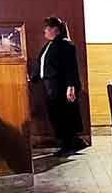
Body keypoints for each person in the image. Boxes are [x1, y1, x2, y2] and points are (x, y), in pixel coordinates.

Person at [31, 16, 85, 157]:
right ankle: (69, 143)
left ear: (55, 29)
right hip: (51, 86)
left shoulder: (65, 44)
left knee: (63, 116)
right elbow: (41, 63)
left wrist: (71, 86)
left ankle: (67, 146)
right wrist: (33, 78)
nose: (44, 31)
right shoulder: (50, 44)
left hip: (61, 86)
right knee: (56, 115)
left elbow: (71, 67)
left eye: (47, 28)